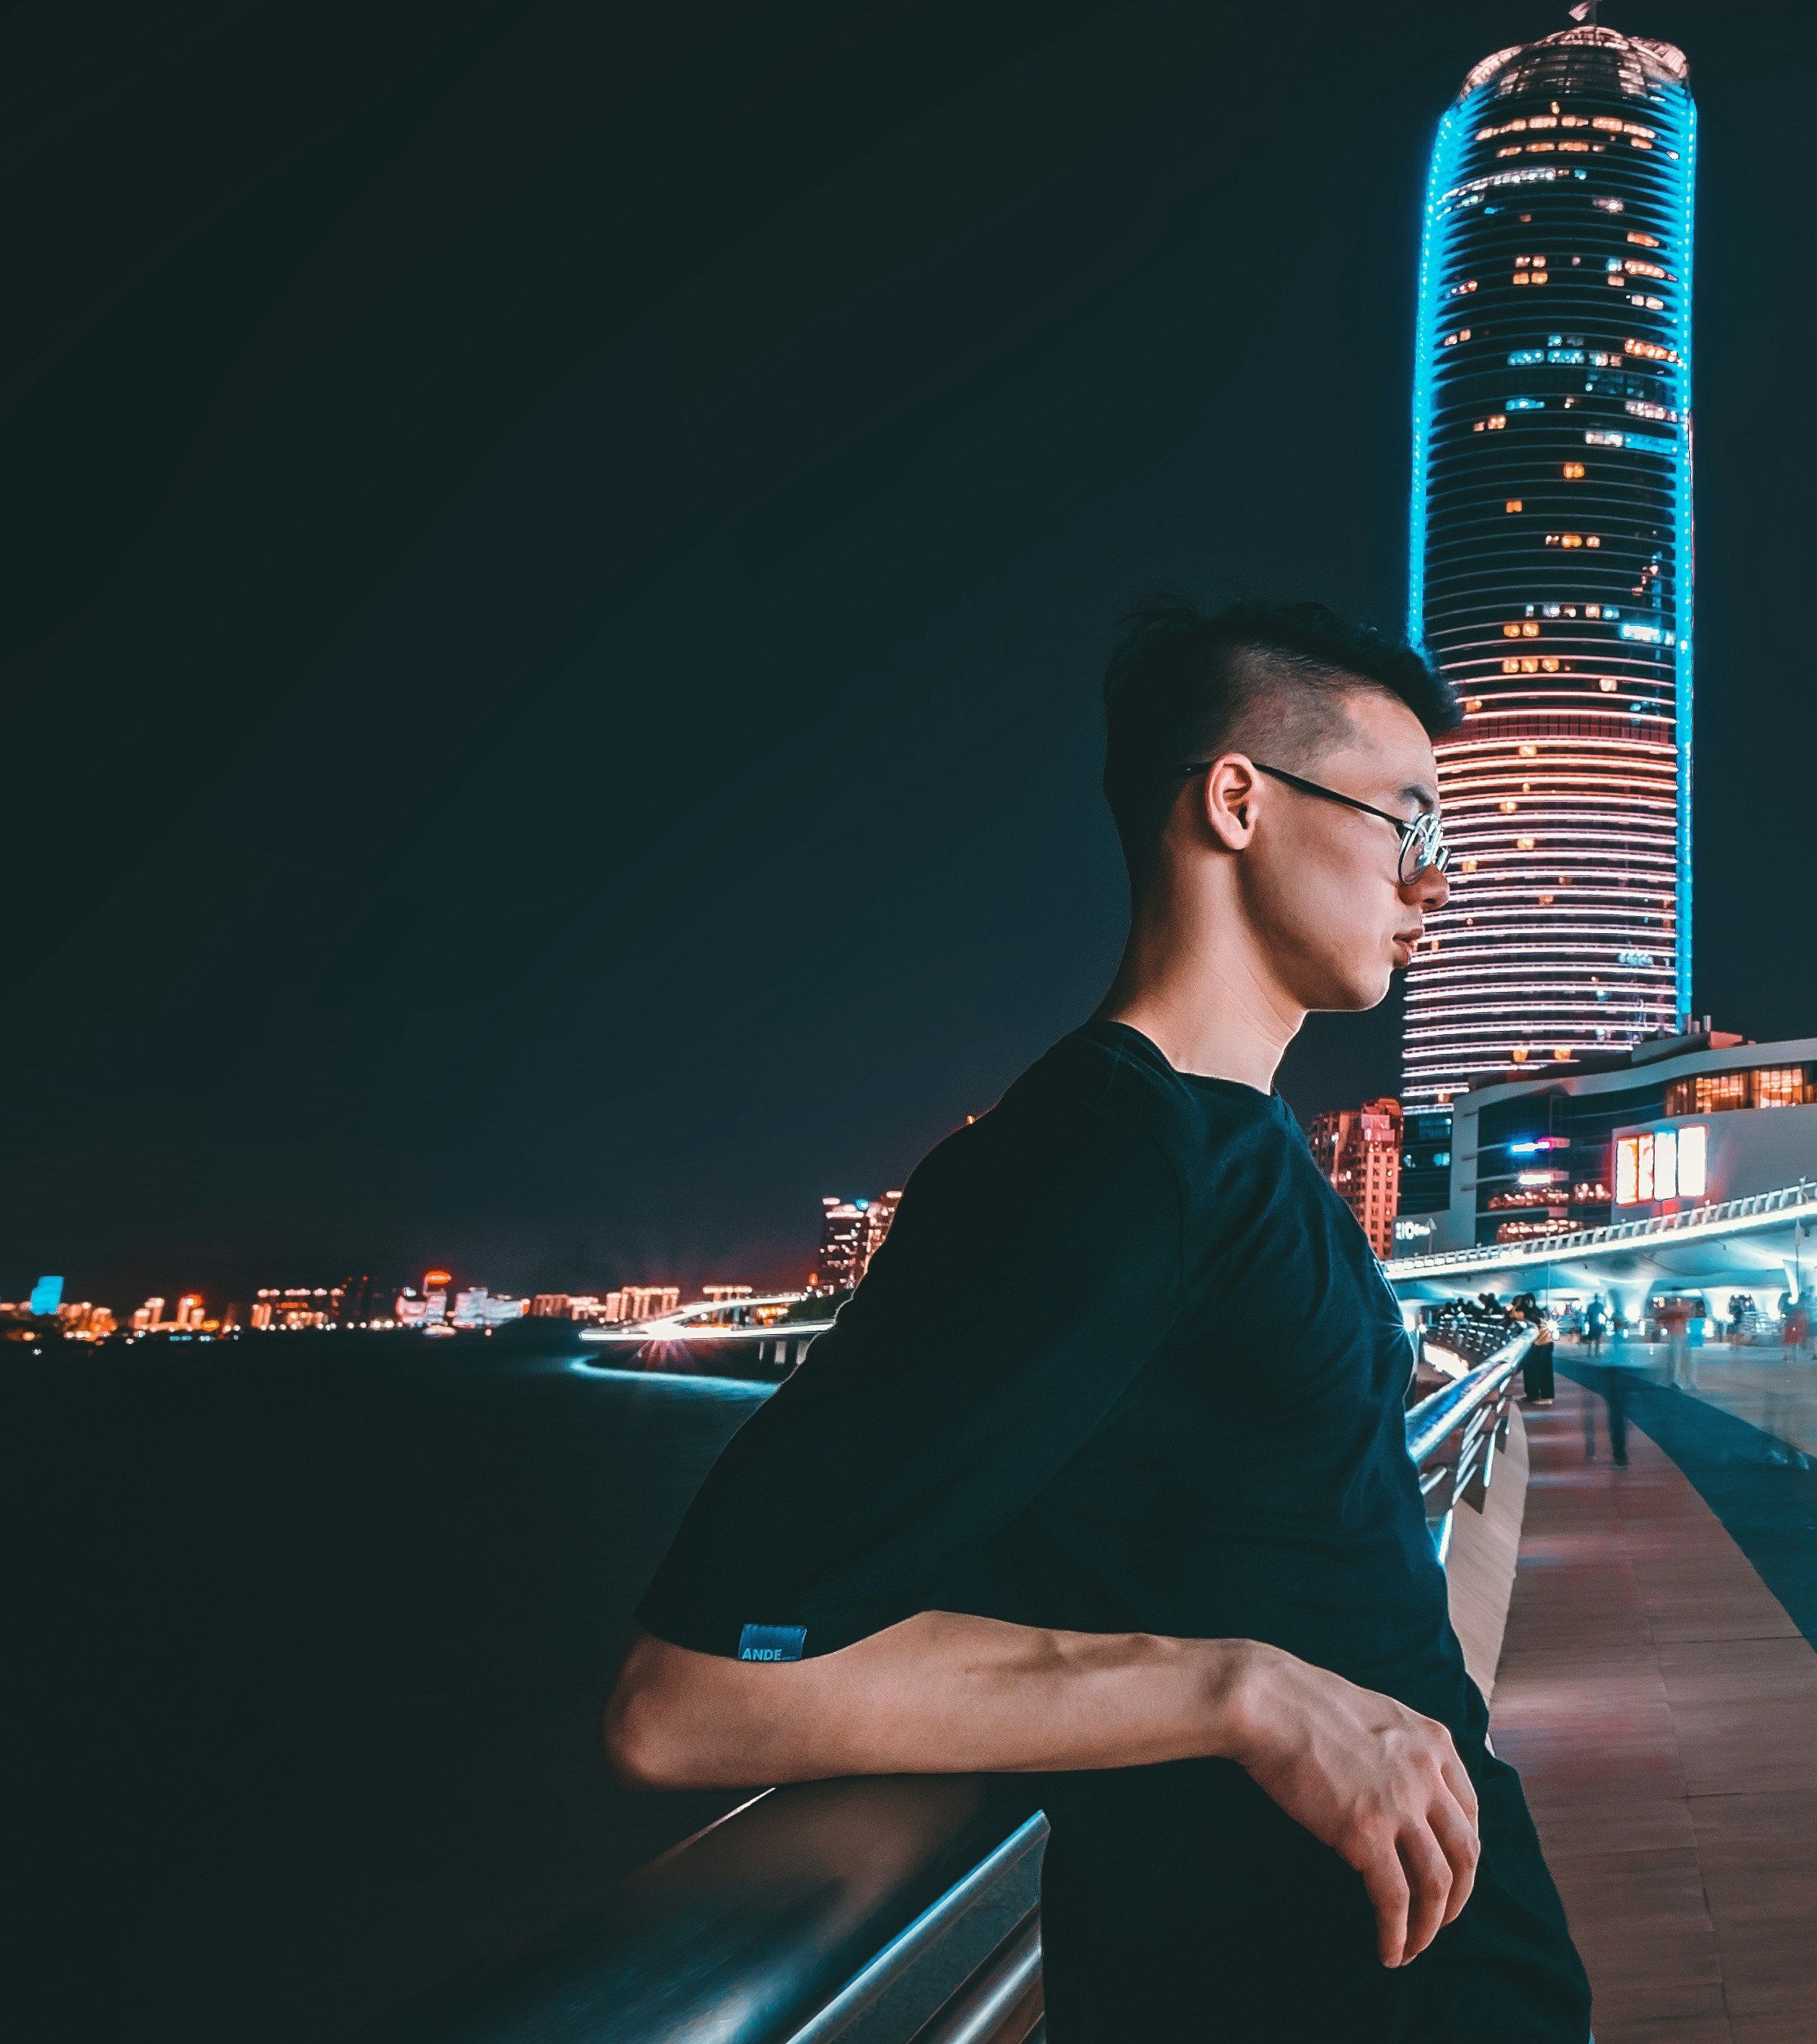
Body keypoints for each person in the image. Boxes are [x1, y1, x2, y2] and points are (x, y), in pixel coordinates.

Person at [596, 597, 1590, 2042]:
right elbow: (684, 1700)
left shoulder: (1240, 1151)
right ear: (1238, 800)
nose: (1434, 887)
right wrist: (1238, 1693)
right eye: (1408, 825)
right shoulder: (1102, 1163)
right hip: (1294, 1994)